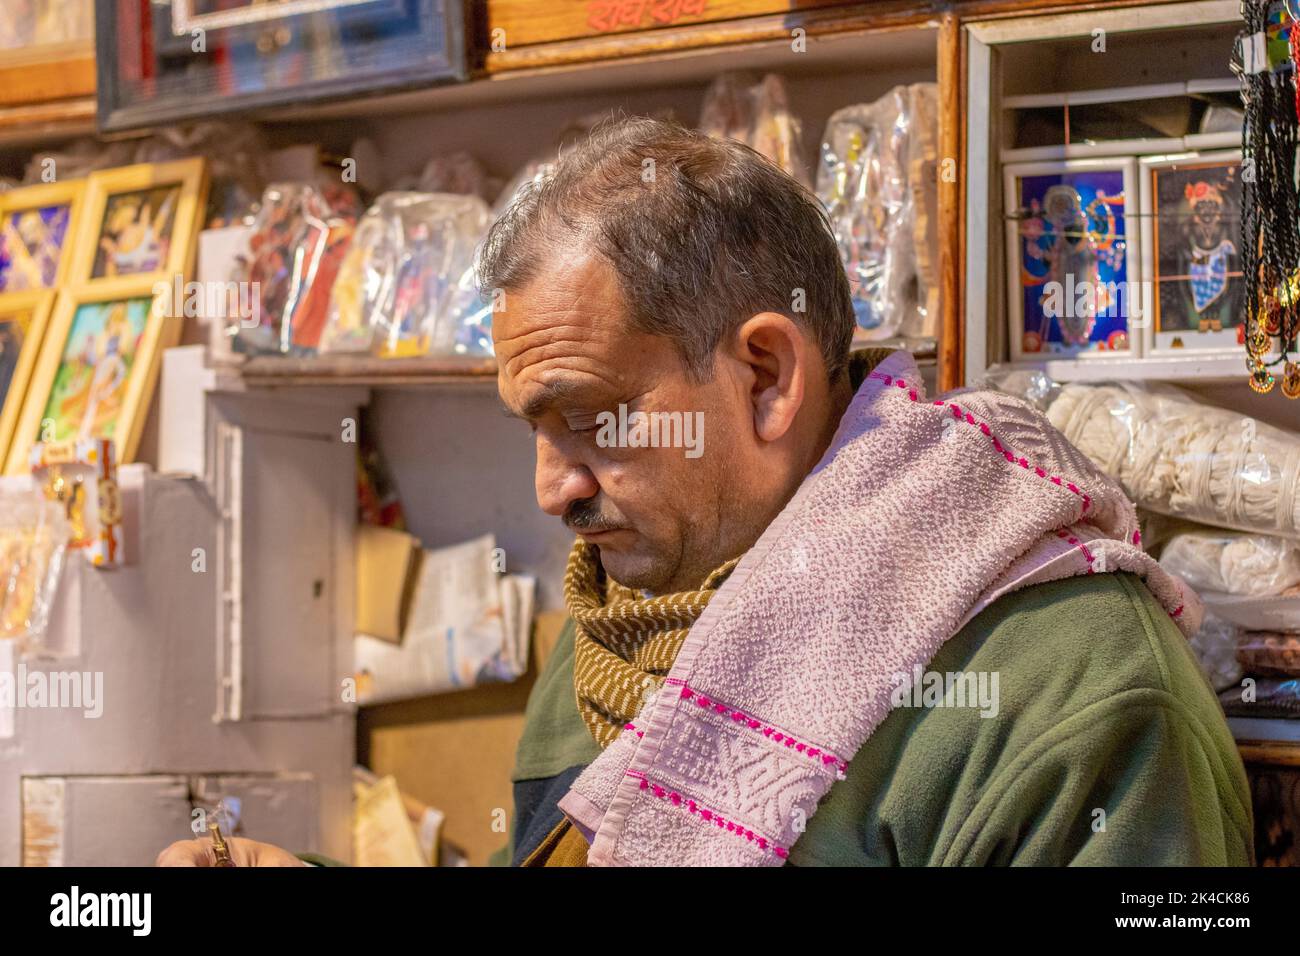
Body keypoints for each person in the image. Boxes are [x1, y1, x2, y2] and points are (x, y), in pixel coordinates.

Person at [157, 116, 1252, 868]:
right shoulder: (621, 619)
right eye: (532, 430)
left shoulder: (1074, 701)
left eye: (590, 419)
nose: (553, 487)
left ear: (765, 377)